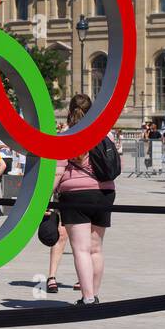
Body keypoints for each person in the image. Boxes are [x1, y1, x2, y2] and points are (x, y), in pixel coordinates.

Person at [52, 96, 114, 304]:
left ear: (70, 110)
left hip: (76, 195)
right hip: (104, 193)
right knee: (96, 248)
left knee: (81, 249)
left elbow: (58, 172)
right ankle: (94, 294)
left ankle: (87, 298)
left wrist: (46, 198)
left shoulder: (66, 136)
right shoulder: (103, 133)